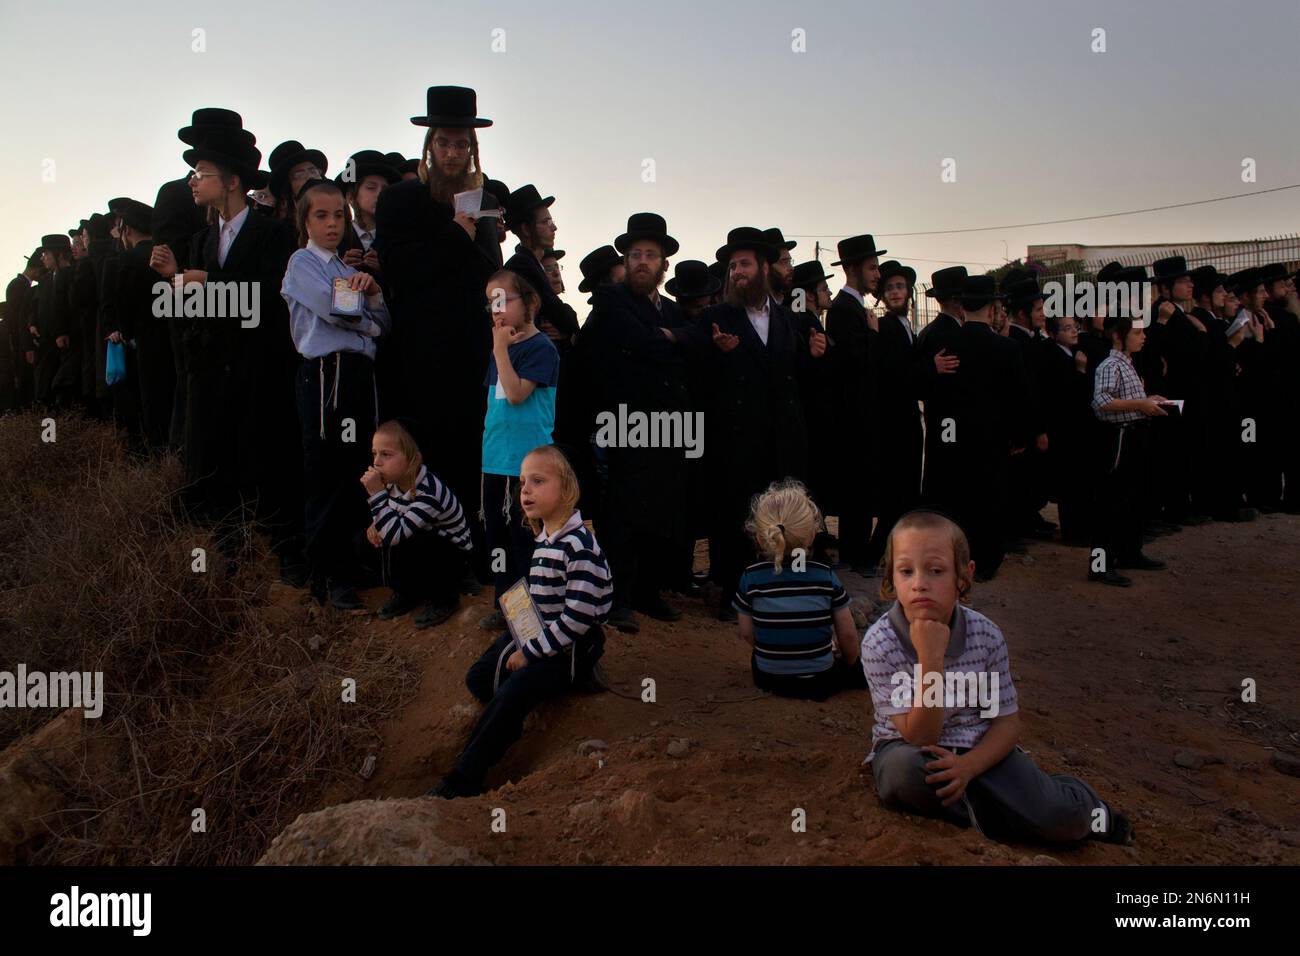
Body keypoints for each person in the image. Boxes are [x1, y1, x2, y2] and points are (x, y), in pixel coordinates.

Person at [862, 510, 1132, 846]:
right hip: (911, 751)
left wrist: (969, 767)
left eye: (936, 571)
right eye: (906, 571)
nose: (919, 583)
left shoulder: (986, 636)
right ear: (891, 579)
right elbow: (921, 735)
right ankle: (1007, 812)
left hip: (980, 752)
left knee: (1055, 820)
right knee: (902, 777)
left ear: (964, 576)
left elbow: (1004, 725)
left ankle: (1084, 806)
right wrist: (931, 658)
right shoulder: (879, 643)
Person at [150, 126, 300, 572]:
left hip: (260, 372)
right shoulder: (200, 241)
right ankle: (230, 552)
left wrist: (209, 284)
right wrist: (176, 283)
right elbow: (198, 314)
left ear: (232, 181)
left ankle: (289, 556)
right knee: (219, 470)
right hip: (214, 377)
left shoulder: (272, 234)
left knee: (269, 465)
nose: (193, 181)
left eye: (202, 172)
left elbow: (271, 301)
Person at [428, 445, 612, 799]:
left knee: (513, 691)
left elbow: (577, 618)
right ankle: (520, 703)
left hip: (575, 643)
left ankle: (464, 778)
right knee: (479, 678)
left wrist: (531, 653)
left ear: (567, 488)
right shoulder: (544, 537)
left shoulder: (580, 546)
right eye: (523, 482)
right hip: (543, 631)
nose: (525, 489)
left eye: (537, 481)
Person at [373, 86, 502, 582]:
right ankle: (414, 578)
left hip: (469, 354)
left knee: (466, 456)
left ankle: (464, 565)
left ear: (472, 148)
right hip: (414, 355)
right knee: (414, 464)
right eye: (444, 143)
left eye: (461, 144)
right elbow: (400, 269)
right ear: (430, 147)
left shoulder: (483, 200)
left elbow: (490, 272)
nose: (453, 153)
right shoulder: (399, 199)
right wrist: (454, 233)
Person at [584, 213, 700, 631]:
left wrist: (675, 339)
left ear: (663, 265)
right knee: (623, 513)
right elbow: (639, 342)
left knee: (663, 509)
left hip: (669, 425)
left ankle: (649, 593)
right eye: (635, 255)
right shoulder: (612, 301)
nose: (642, 262)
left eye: (650, 255)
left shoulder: (670, 309)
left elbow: (697, 342)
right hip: (626, 422)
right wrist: (672, 340)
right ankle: (617, 599)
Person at [281, 178, 391, 609]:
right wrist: (367, 319)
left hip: (359, 375)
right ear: (304, 220)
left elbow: (384, 324)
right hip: (327, 375)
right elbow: (338, 313)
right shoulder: (301, 264)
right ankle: (328, 576)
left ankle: (351, 565)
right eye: (320, 215)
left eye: (338, 215)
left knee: (355, 470)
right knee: (326, 471)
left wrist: (370, 307)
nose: (332, 224)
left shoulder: (349, 272)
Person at [701, 226, 819, 620]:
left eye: (744, 264)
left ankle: (783, 586)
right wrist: (714, 353)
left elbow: (795, 376)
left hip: (783, 438)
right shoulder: (717, 317)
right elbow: (695, 368)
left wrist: (816, 356)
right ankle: (733, 593)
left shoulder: (788, 319)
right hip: (737, 440)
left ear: (764, 267)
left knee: (784, 515)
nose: (736, 271)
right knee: (736, 517)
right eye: (732, 265)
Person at [733, 479, 867, 700]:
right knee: (852, 671)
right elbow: (849, 636)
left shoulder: (751, 577)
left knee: (761, 662)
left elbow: (747, 632)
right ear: (812, 536)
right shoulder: (825, 576)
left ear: (759, 538)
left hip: (769, 677)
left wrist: (773, 651)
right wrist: (851, 664)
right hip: (821, 679)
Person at [480, 268, 560, 625]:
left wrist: (500, 350)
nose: (496, 310)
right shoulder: (501, 350)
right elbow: (493, 405)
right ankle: (506, 606)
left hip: (528, 466)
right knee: (497, 538)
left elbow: (515, 394)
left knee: (524, 540)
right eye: (490, 303)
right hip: (495, 460)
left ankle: (532, 614)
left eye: (503, 300)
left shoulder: (540, 347)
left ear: (530, 302)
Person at [950, 275, 1029, 582]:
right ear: (992, 308)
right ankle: (987, 560)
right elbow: (1019, 396)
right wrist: (1020, 435)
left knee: (963, 496)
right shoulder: (1007, 348)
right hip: (994, 437)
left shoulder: (949, 343)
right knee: (992, 496)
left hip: (955, 436)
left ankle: (962, 555)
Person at [362, 419, 473, 627]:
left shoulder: (428, 490)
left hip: (452, 553)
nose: (377, 462)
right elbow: (390, 519)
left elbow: (396, 533)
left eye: (386, 454)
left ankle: (445, 599)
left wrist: (376, 494)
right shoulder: (393, 485)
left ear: (411, 458)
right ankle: (408, 592)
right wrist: (375, 524)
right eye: (375, 453)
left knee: (410, 539)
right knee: (371, 539)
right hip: (420, 541)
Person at [1088, 313, 1171, 586]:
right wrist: (1140, 405)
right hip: (1118, 439)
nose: (1143, 337)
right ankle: (1100, 567)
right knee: (1111, 503)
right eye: (1136, 333)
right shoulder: (1111, 364)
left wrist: (1147, 400)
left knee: (1133, 499)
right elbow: (1101, 402)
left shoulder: (1127, 364)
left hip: (1135, 435)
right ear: (1118, 335)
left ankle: (1128, 553)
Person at [824, 234, 885, 571]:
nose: (877, 275)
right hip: (852, 416)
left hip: (861, 414)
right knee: (856, 488)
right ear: (852, 268)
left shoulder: (855, 308)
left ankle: (857, 551)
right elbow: (855, 365)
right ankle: (855, 554)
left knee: (861, 486)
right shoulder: (844, 310)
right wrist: (874, 336)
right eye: (872, 267)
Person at [109, 197, 175, 450]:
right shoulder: (166, 253)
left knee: (151, 399)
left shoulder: (125, 260)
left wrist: (125, 332)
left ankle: (158, 451)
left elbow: (122, 301)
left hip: (144, 339)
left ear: (127, 230)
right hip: (170, 335)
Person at [503, 185, 579, 352]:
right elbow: (561, 315)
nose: (554, 227)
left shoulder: (530, 263)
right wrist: (567, 322)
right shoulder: (522, 266)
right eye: (546, 222)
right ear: (526, 229)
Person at [916, 266, 966, 514]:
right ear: (958, 301)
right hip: (951, 415)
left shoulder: (928, 331)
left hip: (936, 413)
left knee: (937, 466)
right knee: (949, 468)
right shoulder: (953, 334)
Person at [335, 149, 398, 277]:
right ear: (350, 196)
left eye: (385, 189)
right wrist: (340, 269)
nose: (380, 194)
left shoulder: (396, 238)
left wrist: (386, 269)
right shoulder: (335, 236)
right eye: (371, 188)